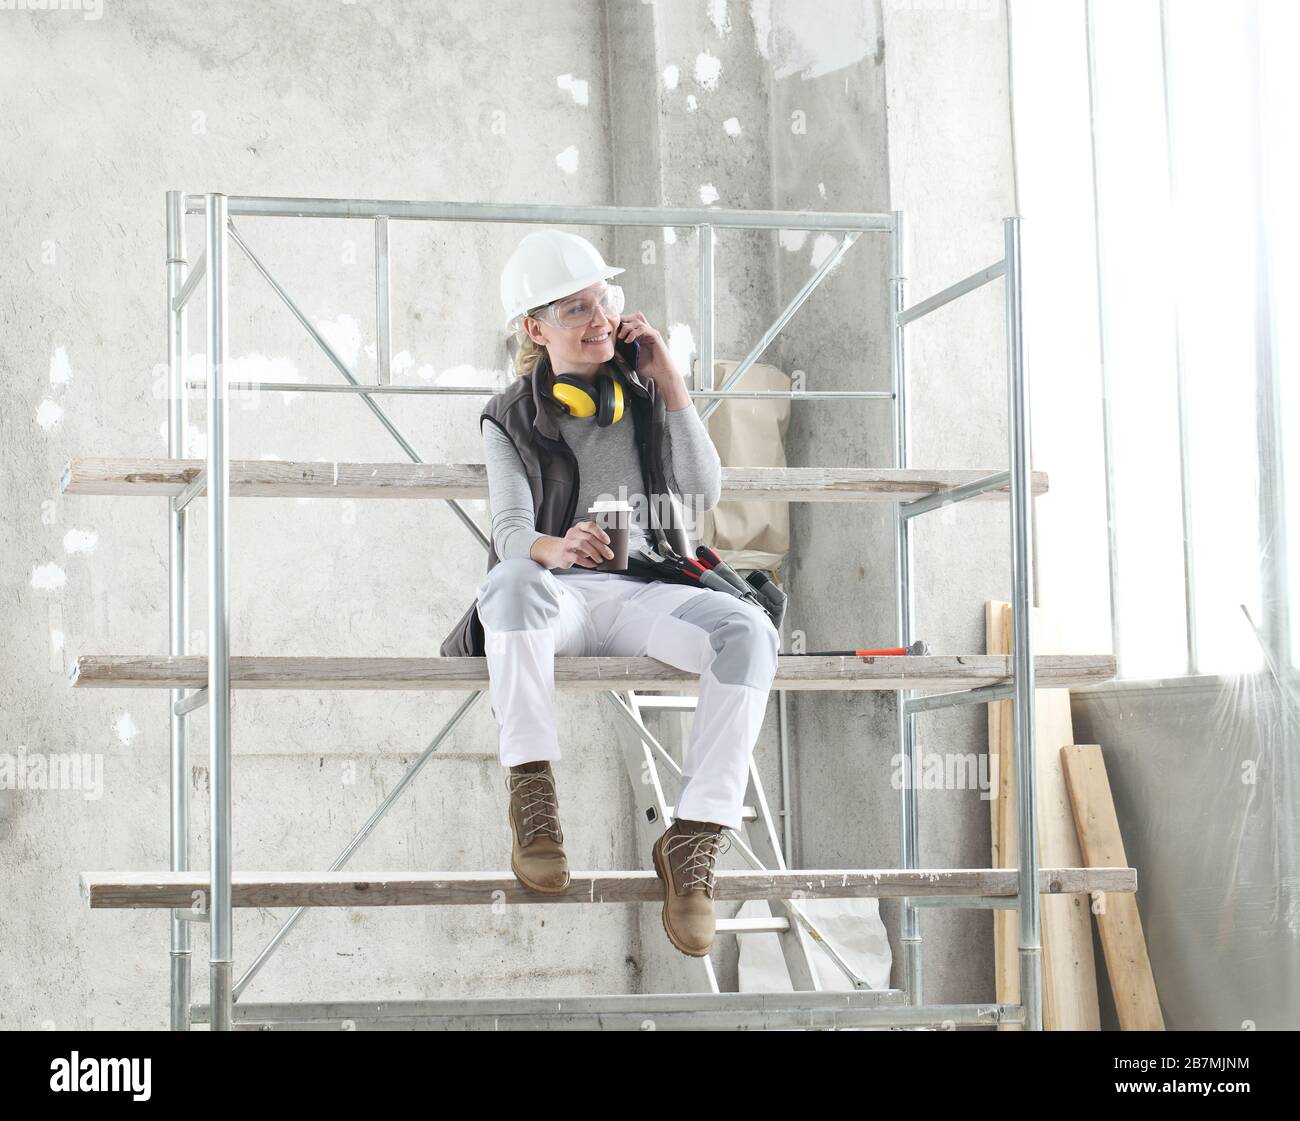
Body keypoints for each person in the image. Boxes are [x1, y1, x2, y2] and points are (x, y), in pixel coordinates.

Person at [444, 229, 781, 958]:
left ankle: (693, 841)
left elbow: (700, 493)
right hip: (557, 599)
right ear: (535, 328)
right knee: (508, 586)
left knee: (748, 630)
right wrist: (554, 546)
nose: (599, 320)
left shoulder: (643, 396)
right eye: (575, 309)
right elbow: (508, 532)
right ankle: (533, 797)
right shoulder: (506, 418)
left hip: (644, 591)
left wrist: (673, 385)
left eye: (604, 301)